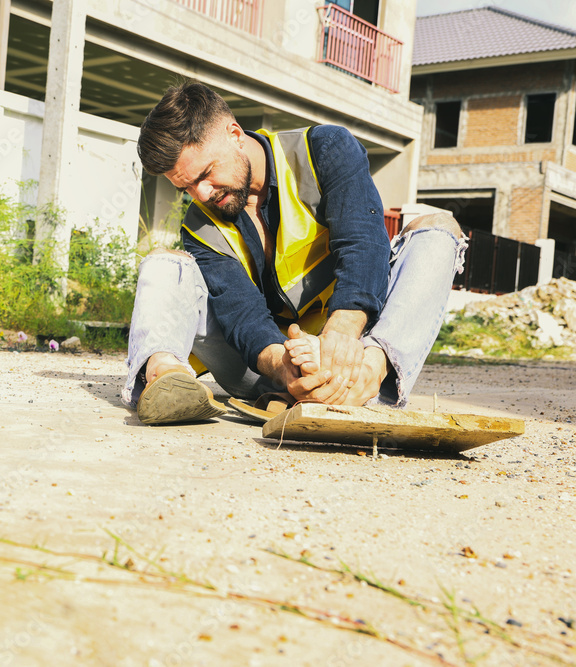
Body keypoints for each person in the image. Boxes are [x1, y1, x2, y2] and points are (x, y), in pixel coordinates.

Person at [123, 82, 467, 425]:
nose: (201, 194)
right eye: (185, 187)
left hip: (354, 354)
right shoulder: (199, 224)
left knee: (438, 229)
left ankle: (369, 379)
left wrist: (341, 338)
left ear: (234, 134)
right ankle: (164, 373)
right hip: (266, 369)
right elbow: (242, 315)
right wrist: (285, 367)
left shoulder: (326, 150)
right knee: (165, 263)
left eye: (206, 174)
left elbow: (363, 244)